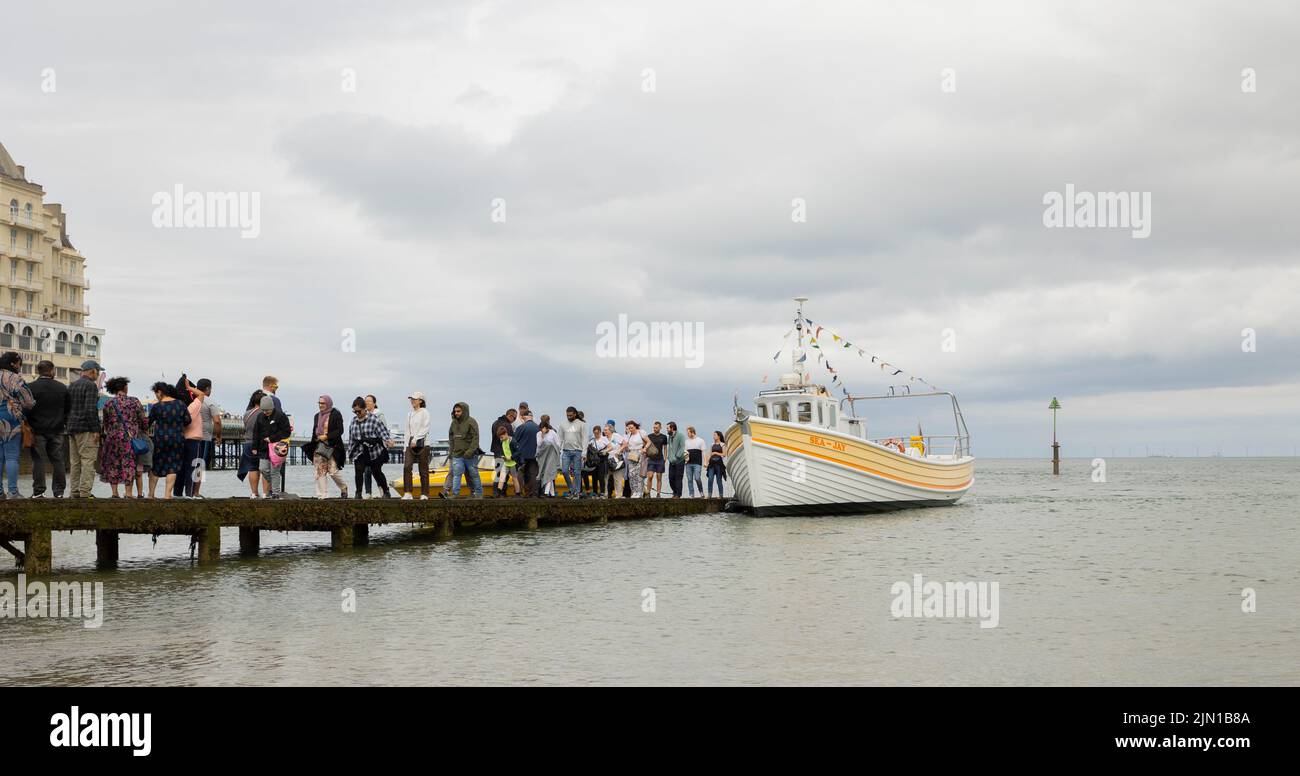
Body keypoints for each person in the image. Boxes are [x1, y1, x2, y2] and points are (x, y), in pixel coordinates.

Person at [98, 376, 148, 498]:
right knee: (129, 464)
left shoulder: (109, 403)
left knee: (112, 464)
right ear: (125, 387)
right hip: (129, 438)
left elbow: (106, 423)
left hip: (112, 437)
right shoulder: (134, 401)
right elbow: (143, 421)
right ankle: (129, 493)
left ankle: (115, 493)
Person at [27, 360, 69, 499]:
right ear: (52, 371)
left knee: (38, 460)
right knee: (57, 460)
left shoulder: (31, 387)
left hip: (37, 429)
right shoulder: (62, 388)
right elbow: (68, 409)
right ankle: (59, 492)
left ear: (39, 371)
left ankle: (39, 491)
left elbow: (26, 408)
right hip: (57, 429)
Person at [147, 381, 191, 499]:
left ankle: (151, 495)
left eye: (156, 393)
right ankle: (167, 494)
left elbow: (147, 423)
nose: (156, 396)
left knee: (156, 466)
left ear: (160, 392)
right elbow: (188, 420)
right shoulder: (181, 404)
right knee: (173, 466)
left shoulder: (157, 406)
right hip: (177, 438)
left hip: (160, 439)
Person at [0, 352, 35, 498]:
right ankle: (13, 491)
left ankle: (0, 491)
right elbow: (28, 401)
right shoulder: (15, 378)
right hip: (10, 419)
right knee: (12, 457)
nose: (20, 367)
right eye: (20, 363)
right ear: (14, 363)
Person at [67, 360, 103, 498]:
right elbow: (90, 410)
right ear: (93, 371)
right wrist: (96, 430)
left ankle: (74, 491)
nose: (98, 375)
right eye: (98, 372)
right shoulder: (91, 386)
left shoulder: (72, 386)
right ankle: (85, 492)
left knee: (74, 462)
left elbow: (67, 409)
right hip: (86, 429)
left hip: (72, 428)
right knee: (88, 461)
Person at [303, 395, 347, 499]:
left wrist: (326, 436)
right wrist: (312, 445)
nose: (320, 405)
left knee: (333, 472)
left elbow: (340, 431)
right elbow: (315, 431)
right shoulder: (316, 416)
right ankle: (323, 495)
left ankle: (343, 487)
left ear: (328, 403)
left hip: (332, 447)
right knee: (320, 471)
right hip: (319, 447)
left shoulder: (336, 414)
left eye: (323, 403)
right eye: (319, 403)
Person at [348, 396, 392, 498]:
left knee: (376, 472)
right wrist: (350, 453)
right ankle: (358, 493)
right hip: (360, 451)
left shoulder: (374, 419)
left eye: (359, 411)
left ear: (364, 409)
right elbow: (351, 439)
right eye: (355, 412)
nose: (357, 414)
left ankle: (386, 491)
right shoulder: (353, 422)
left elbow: (383, 432)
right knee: (358, 472)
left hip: (374, 451)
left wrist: (388, 440)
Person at [252, 394, 291, 499]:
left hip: (276, 449)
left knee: (275, 471)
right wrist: (254, 447)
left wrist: (272, 438)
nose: (265, 413)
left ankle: (275, 493)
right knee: (263, 469)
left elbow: (286, 432)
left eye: (267, 410)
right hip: (263, 448)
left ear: (272, 407)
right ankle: (273, 487)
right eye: (263, 410)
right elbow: (256, 432)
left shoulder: (280, 416)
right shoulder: (260, 416)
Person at [441, 401, 482, 499]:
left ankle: (478, 494)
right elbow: (451, 438)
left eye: (458, 411)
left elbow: (476, 438)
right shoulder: (454, 423)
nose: (456, 413)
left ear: (464, 411)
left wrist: (470, 451)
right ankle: (455, 494)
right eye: (455, 411)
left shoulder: (471, 422)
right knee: (456, 474)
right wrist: (451, 452)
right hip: (457, 455)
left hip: (470, 455)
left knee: (473, 474)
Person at [237, 390, 268, 497]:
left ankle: (254, 493)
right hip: (261, 444)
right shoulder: (264, 413)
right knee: (265, 468)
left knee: (253, 468)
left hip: (248, 443)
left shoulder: (246, 414)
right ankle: (265, 493)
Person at [402, 392, 431, 500]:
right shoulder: (409, 414)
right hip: (410, 442)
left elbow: (425, 428)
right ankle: (408, 492)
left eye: (414, 399)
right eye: (411, 399)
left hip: (423, 442)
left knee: (423, 469)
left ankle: (424, 493)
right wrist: (405, 447)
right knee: (407, 467)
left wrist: (416, 439)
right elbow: (407, 430)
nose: (412, 401)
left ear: (421, 401)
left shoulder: (425, 412)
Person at [361, 395, 388, 497]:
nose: (367, 403)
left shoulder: (379, 414)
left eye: (369, 401)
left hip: (378, 447)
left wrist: (385, 444)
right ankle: (368, 492)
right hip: (367, 447)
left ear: (374, 403)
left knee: (375, 470)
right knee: (367, 469)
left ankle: (383, 490)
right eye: (365, 401)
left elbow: (384, 430)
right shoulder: (363, 415)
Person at [559, 406, 587, 499]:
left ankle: (577, 492)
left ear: (575, 414)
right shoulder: (563, 424)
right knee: (564, 471)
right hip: (566, 451)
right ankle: (571, 489)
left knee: (577, 472)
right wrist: (558, 450)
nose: (569, 417)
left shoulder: (581, 424)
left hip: (577, 451)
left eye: (571, 415)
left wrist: (584, 453)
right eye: (567, 415)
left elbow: (585, 439)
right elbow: (560, 439)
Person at [490, 408, 517, 497]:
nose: (514, 421)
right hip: (505, 454)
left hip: (496, 452)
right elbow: (511, 440)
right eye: (514, 418)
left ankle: (495, 492)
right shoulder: (507, 425)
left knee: (498, 473)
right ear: (510, 416)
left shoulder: (495, 423)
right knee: (504, 474)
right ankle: (502, 493)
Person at [512, 410, 539, 497]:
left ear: (524, 417)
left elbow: (514, 441)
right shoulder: (538, 427)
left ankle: (520, 492)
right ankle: (533, 493)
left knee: (520, 472)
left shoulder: (521, 427)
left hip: (522, 455)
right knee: (533, 474)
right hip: (535, 455)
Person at [623, 420, 649, 498]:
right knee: (631, 474)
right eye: (629, 428)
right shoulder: (629, 435)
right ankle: (634, 492)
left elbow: (649, 442)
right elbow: (626, 445)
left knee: (639, 475)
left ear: (635, 426)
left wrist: (644, 448)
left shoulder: (641, 432)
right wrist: (622, 449)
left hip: (640, 453)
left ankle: (640, 492)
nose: (630, 429)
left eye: (631, 428)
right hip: (631, 454)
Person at [535, 417, 561, 497]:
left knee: (549, 472)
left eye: (544, 428)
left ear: (547, 428)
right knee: (544, 473)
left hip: (551, 456)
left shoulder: (553, 433)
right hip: (542, 456)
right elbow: (539, 444)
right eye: (541, 429)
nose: (542, 430)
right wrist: (542, 436)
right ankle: (552, 493)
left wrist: (554, 450)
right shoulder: (539, 434)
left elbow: (558, 443)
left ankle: (546, 492)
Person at [645, 421, 668, 497]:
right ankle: (648, 493)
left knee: (659, 477)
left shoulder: (664, 437)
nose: (655, 429)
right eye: (654, 427)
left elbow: (665, 448)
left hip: (660, 459)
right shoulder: (649, 436)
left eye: (656, 428)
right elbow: (646, 447)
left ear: (660, 428)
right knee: (650, 476)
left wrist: (665, 457)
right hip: (651, 459)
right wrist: (646, 457)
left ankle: (658, 493)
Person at [585, 424, 609, 497]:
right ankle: (595, 492)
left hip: (602, 459)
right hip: (594, 461)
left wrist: (605, 451)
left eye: (597, 433)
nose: (596, 434)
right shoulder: (592, 441)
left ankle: (602, 492)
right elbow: (588, 450)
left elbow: (610, 447)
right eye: (595, 433)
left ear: (600, 432)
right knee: (594, 477)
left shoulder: (604, 439)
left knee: (601, 477)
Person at [604, 420, 625, 498]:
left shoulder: (616, 436)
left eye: (606, 430)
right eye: (604, 430)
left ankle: (618, 495)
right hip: (607, 460)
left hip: (616, 459)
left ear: (610, 430)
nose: (604, 431)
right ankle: (605, 494)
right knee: (605, 478)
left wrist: (619, 450)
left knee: (617, 478)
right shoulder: (604, 438)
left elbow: (625, 444)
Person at [496, 425, 519, 495]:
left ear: (506, 434)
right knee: (501, 478)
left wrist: (511, 457)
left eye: (502, 437)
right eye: (500, 438)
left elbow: (519, 451)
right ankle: (498, 493)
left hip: (513, 463)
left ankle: (518, 493)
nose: (501, 439)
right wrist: (502, 456)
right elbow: (503, 450)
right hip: (505, 463)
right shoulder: (502, 441)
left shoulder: (513, 441)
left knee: (514, 479)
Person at [665, 421, 686, 498]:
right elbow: (668, 446)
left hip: (679, 461)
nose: (667, 430)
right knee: (671, 478)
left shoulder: (681, 436)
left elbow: (682, 447)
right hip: (671, 461)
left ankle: (678, 494)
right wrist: (669, 457)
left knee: (678, 478)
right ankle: (674, 492)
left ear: (672, 428)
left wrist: (677, 456)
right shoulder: (669, 437)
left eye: (667, 428)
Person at [684, 426, 707, 497]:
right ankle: (691, 494)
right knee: (689, 479)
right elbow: (684, 452)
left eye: (688, 433)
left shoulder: (700, 440)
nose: (687, 434)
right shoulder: (686, 441)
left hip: (697, 463)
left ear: (692, 432)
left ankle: (701, 492)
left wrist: (705, 462)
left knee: (697, 478)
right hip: (688, 464)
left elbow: (704, 453)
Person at [707, 430, 728, 498]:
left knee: (719, 480)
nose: (714, 436)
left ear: (719, 436)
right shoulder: (712, 445)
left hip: (719, 464)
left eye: (715, 435)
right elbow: (710, 454)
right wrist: (706, 462)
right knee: (710, 479)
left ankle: (721, 495)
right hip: (711, 464)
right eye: (713, 435)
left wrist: (716, 453)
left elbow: (724, 454)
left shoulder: (722, 444)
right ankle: (709, 495)